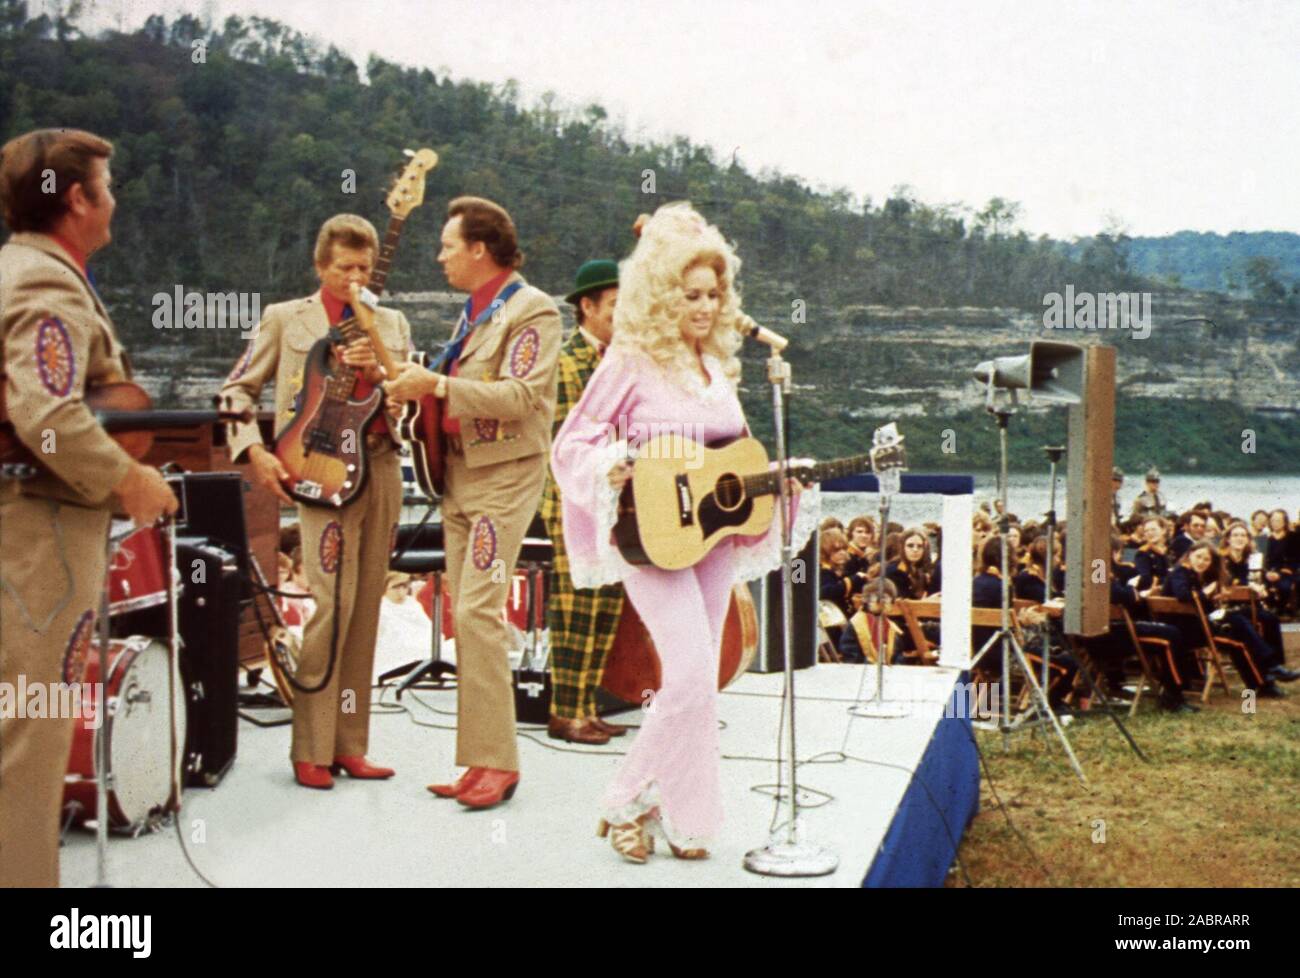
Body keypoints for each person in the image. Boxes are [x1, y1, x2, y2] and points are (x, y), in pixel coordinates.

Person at [550, 203, 816, 863]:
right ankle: (624, 802)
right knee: (692, 674)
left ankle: (685, 818)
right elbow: (572, 441)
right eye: (691, 294)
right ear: (663, 295)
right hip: (654, 537)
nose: (704, 306)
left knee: (700, 682)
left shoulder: (717, 369)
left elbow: (735, 452)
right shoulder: (630, 360)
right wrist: (611, 466)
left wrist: (776, 477)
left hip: (714, 537)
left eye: (713, 294)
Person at [0, 129, 178, 886]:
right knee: (29, 737)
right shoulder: (46, 280)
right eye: (108, 186)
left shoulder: (20, 267)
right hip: (36, 539)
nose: (115, 200)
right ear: (77, 198)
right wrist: (129, 481)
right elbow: (47, 413)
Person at [221, 213, 411, 790]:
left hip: (379, 468)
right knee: (330, 605)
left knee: (366, 611)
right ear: (320, 266)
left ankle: (350, 744)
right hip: (318, 473)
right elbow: (235, 388)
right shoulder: (284, 319)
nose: (355, 278)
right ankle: (309, 747)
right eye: (343, 267)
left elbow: (409, 402)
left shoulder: (393, 322)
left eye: (363, 267)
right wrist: (254, 452)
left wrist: (382, 375)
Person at [385, 196, 561, 809]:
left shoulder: (532, 311)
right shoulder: (473, 315)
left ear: (479, 249)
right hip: (461, 477)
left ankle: (497, 764)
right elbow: (459, 398)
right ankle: (479, 758)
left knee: (481, 613)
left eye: (447, 246)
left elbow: (517, 396)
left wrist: (432, 383)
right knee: (467, 614)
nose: (439, 257)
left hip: (504, 478)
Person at [538, 258, 627, 745]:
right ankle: (565, 711)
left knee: (605, 602)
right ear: (586, 308)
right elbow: (559, 443)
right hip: (569, 499)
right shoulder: (564, 363)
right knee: (574, 607)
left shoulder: (623, 365)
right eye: (615, 305)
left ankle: (588, 706)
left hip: (614, 501)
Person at [1162, 542, 1289, 697]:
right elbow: (1183, 595)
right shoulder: (1180, 572)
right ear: (1189, 555)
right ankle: (1268, 673)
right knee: (1239, 631)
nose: (1201, 562)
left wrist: (1214, 598)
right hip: (1183, 631)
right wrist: (1205, 593)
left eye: (1206, 560)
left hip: (1195, 625)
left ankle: (1266, 679)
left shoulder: (1193, 574)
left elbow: (1201, 606)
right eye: (1198, 557)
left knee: (1239, 630)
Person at [1133, 516, 1171, 592]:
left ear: (1163, 530)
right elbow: (1146, 579)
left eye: (1153, 529)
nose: (1150, 533)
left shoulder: (1171, 550)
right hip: (1153, 594)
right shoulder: (1143, 553)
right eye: (1146, 531)